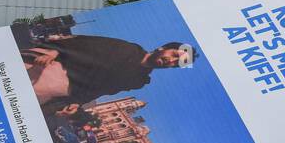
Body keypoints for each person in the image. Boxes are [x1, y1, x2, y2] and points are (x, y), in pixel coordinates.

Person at [23, 35, 197, 115]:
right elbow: (85, 44)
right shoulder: (127, 48)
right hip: (52, 69)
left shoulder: (139, 81)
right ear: (163, 48)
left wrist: (78, 102)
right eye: (174, 55)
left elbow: (103, 89)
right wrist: (54, 52)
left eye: (176, 63)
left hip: (62, 91)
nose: (171, 61)